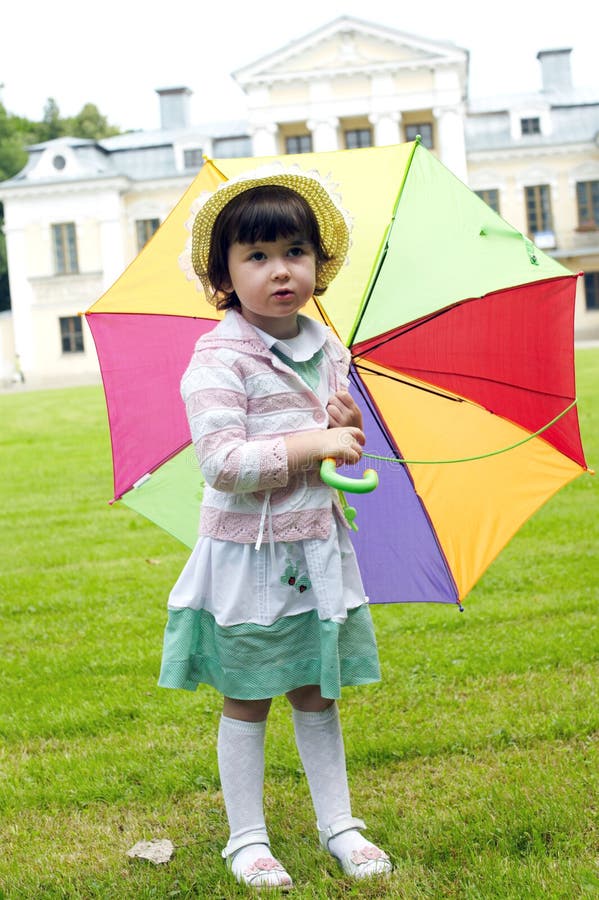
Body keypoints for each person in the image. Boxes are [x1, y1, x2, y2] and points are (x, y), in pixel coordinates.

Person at [159, 163, 391, 889]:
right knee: (249, 692)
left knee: (318, 690)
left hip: (315, 547)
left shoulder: (327, 350)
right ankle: (247, 838)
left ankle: (338, 823)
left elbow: (329, 448)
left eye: (294, 252)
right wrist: (311, 441)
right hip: (250, 560)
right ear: (223, 276)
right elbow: (223, 462)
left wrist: (343, 428)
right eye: (256, 256)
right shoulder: (219, 358)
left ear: (319, 264)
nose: (279, 270)